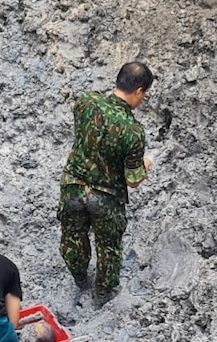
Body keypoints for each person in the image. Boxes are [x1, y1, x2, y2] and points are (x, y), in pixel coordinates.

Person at [57, 61, 165, 307]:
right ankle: (102, 294)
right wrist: (148, 162)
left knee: (73, 237)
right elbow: (133, 180)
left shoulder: (85, 102)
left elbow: (83, 135)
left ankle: (80, 277)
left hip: (73, 186)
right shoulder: (133, 132)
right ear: (138, 91)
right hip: (105, 198)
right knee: (108, 247)